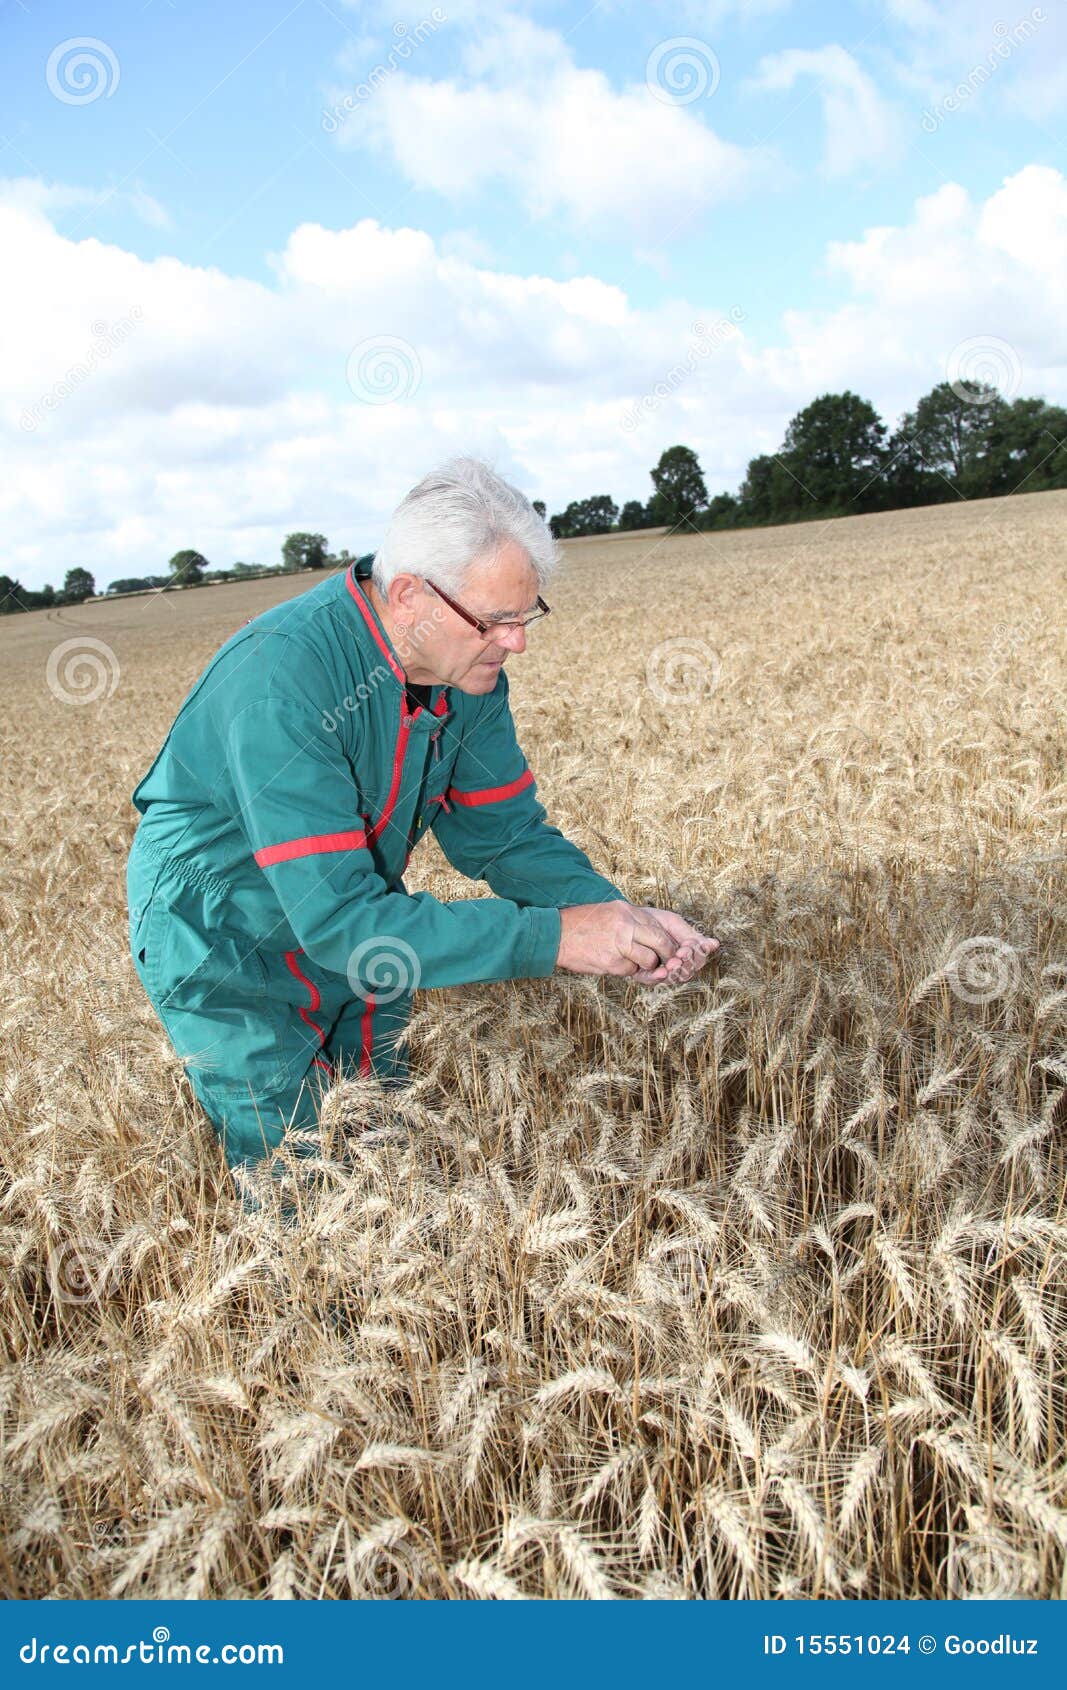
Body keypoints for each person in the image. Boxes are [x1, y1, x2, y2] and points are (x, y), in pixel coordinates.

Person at [126, 456, 718, 1176]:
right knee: (299, 1162)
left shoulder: (462, 669)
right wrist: (557, 936)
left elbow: (504, 835)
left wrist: (621, 919)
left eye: (526, 616)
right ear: (408, 595)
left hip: (354, 914)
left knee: (382, 1130)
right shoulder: (279, 685)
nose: (517, 641)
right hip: (222, 937)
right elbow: (341, 923)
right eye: (496, 620)